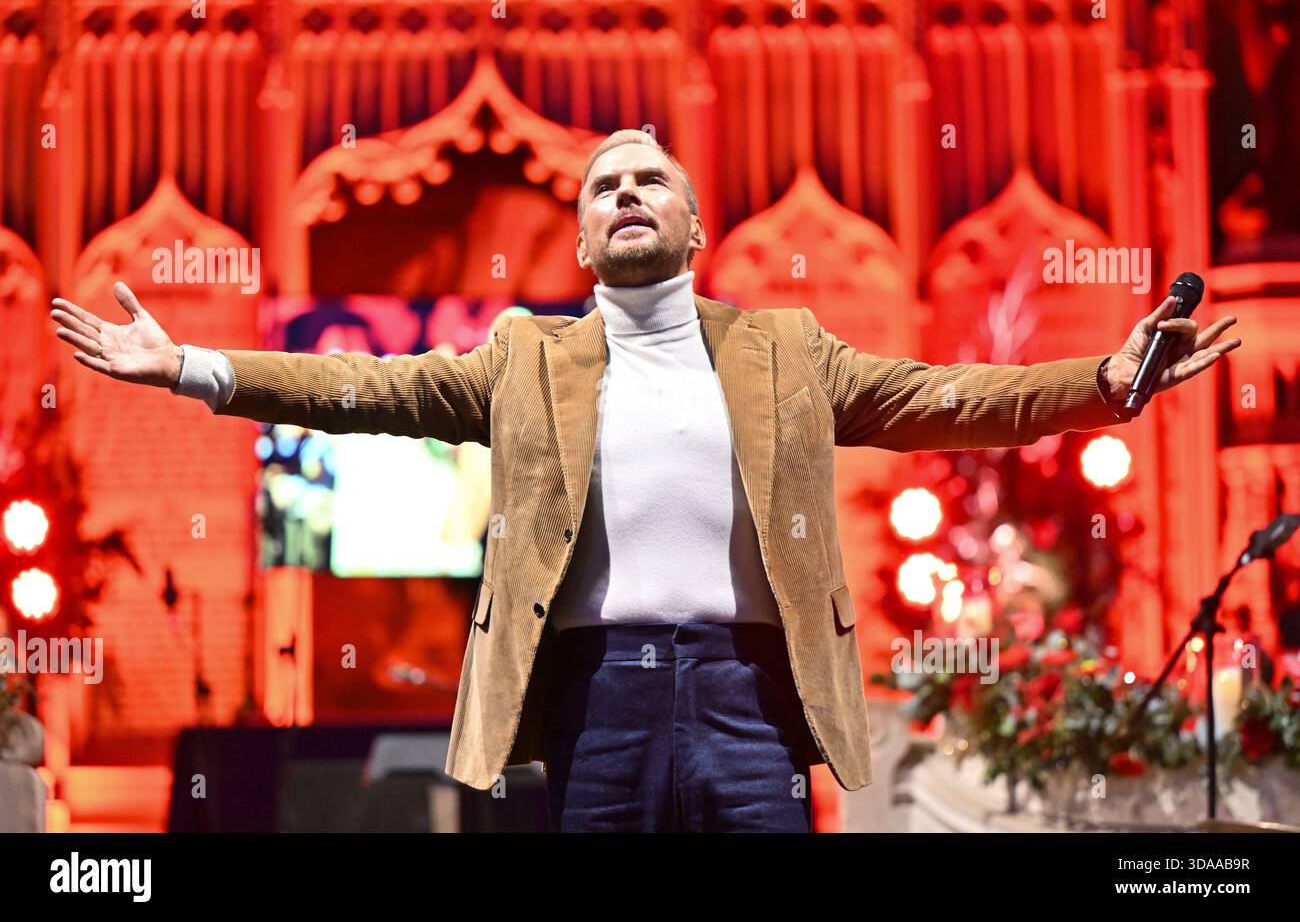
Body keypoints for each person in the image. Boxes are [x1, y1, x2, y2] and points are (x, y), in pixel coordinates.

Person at [50, 129, 1241, 832]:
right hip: (592, 702)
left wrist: (1109, 377)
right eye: (603, 188)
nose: (626, 192)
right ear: (578, 244)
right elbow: (362, 388)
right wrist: (193, 366)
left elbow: (953, 399)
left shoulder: (786, 349)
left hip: (749, 696)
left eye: (648, 180)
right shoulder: (523, 356)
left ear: (694, 221)